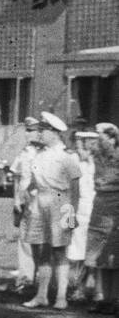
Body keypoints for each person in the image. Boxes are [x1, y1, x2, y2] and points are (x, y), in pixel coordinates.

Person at [22, 111, 82, 309]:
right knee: (41, 249)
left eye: (43, 131)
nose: (39, 134)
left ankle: (61, 297)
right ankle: (41, 295)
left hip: (60, 201)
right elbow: (34, 182)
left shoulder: (67, 157)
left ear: (54, 133)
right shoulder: (39, 155)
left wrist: (71, 215)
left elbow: (75, 189)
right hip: (39, 201)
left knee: (59, 250)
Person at [86, 122, 119, 313]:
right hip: (99, 205)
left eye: (100, 135)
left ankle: (115, 298)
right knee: (97, 254)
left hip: (116, 206)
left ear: (111, 137)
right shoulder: (97, 156)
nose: (97, 139)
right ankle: (100, 297)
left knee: (115, 255)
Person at [8, 116, 44, 291]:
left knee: (40, 243)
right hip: (24, 202)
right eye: (27, 130)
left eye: (31, 130)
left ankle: (40, 280)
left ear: (39, 132)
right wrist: (16, 199)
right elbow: (17, 176)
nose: (28, 134)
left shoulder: (44, 152)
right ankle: (25, 279)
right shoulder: (24, 151)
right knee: (24, 241)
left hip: (40, 202)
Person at [68, 128, 98, 300]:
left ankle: (91, 288)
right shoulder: (75, 162)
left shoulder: (100, 163)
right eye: (78, 145)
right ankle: (76, 287)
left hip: (96, 212)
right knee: (75, 252)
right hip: (78, 212)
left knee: (93, 253)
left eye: (83, 145)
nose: (80, 150)